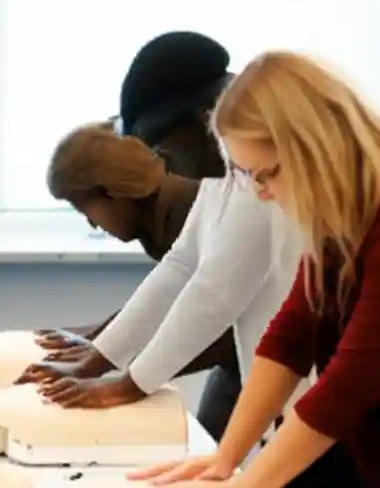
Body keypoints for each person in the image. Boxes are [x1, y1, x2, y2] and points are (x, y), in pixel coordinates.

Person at [132, 51, 380, 488]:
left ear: (316, 149)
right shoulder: (349, 215)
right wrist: (225, 461)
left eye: (265, 174)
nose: (262, 194)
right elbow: (291, 335)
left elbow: (347, 385)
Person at [36, 32, 243, 439]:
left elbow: (222, 316)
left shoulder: (254, 185)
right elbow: (178, 275)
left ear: (206, 119)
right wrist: (100, 349)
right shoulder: (222, 190)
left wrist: (125, 376)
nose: (161, 162)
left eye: (161, 146)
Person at [17, 121, 298, 418]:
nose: (93, 224)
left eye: (85, 210)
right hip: (270, 373)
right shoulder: (223, 183)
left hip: (298, 375)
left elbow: (213, 296)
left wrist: (127, 381)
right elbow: (179, 266)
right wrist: (101, 354)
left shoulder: (253, 195)